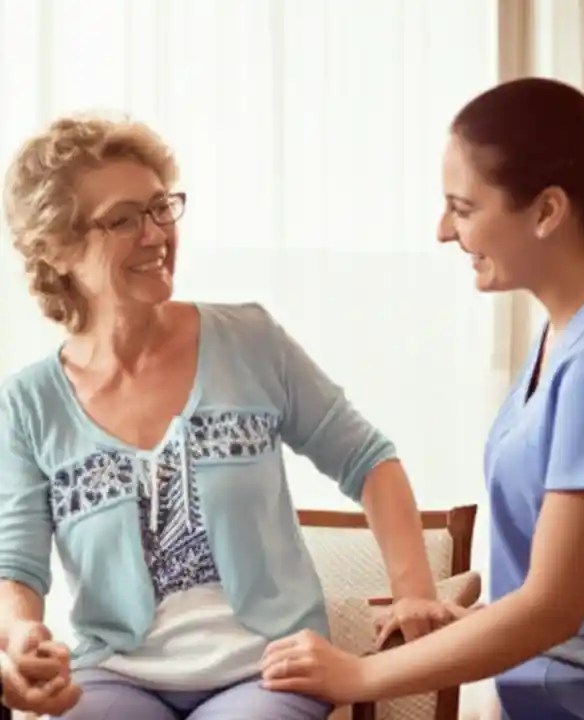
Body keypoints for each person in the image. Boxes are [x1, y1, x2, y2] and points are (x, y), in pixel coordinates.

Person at [0, 115, 449, 718]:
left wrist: (414, 591)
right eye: (125, 219)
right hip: (115, 673)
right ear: (56, 248)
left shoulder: (250, 342)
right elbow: (17, 566)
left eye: (162, 208)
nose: (157, 233)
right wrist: (23, 634)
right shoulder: (29, 403)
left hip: (269, 667)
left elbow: (369, 461)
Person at [258, 77, 584, 719]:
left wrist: (356, 676)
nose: (442, 230)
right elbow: (575, 585)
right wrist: (465, 623)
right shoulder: (563, 333)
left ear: (546, 211)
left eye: (461, 208)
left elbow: (554, 609)